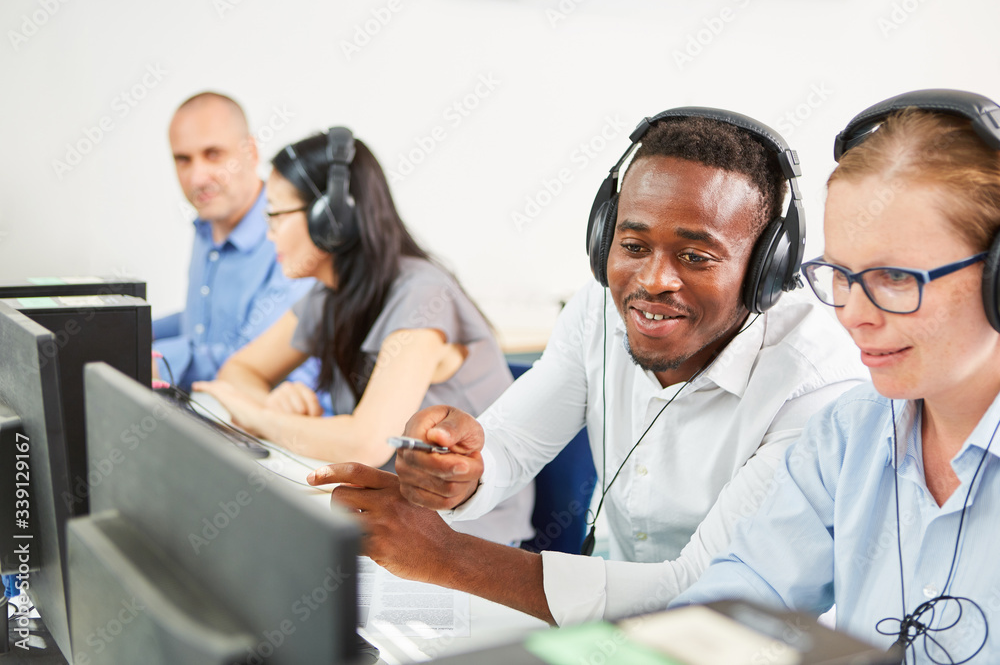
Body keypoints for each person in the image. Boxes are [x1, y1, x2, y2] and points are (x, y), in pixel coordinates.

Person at [307, 110, 868, 624]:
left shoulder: (817, 386)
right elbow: (509, 444)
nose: (653, 281)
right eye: (634, 245)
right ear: (604, 239)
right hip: (600, 633)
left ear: (768, 268)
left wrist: (446, 556)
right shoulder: (598, 312)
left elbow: (705, 592)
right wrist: (459, 468)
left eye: (695, 256)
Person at [672, 90, 1000, 662]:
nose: (853, 314)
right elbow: (739, 602)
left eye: (895, 277)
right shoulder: (847, 436)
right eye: (841, 274)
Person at [194, 127, 533, 544]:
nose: (269, 234)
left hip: (468, 537)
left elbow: (365, 444)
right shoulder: (330, 295)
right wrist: (275, 402)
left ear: (330, 219)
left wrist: (260, 417)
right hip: (398, 516)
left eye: (275, 215)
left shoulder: (422, 296)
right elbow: (239, 371)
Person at [153, 92, 315, 391]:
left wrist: (154, 359)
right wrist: (129, 332)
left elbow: (253, 361)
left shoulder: (291, 233)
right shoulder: (208, 225)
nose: (197, 178)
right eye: (183, 160)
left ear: (250, 152)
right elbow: (205, 326)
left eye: (213, 154)